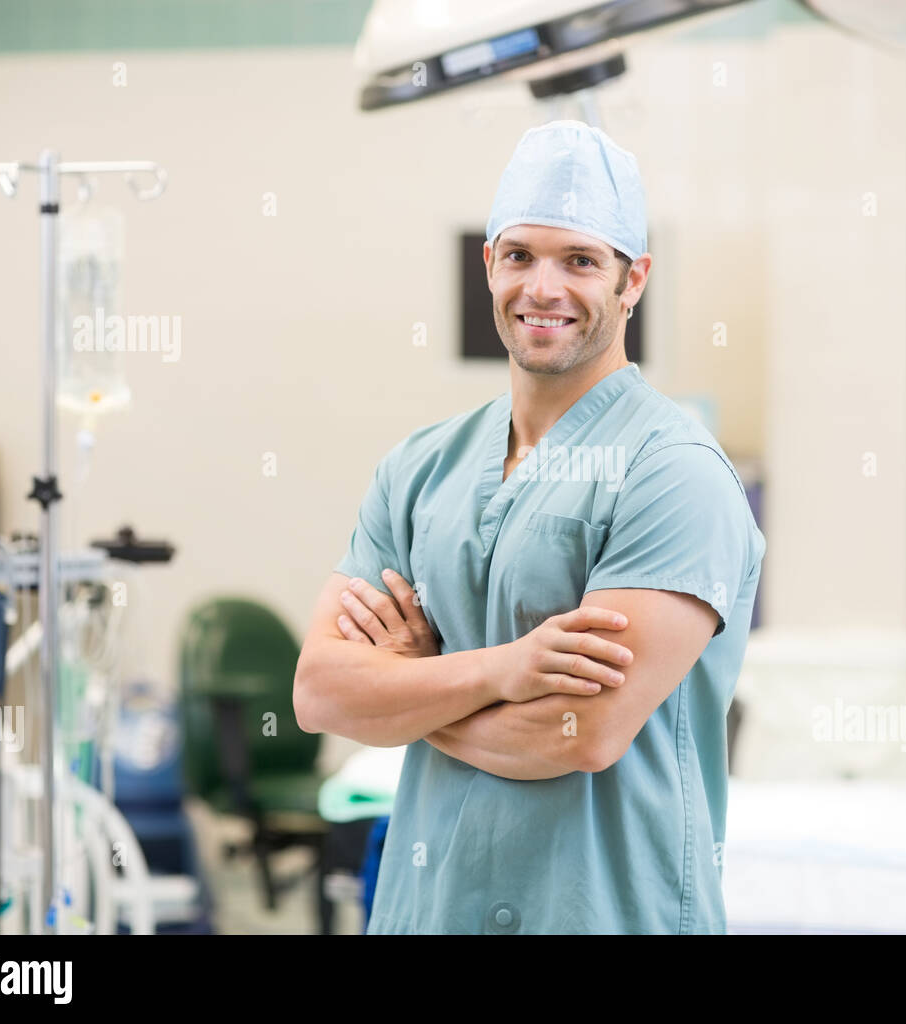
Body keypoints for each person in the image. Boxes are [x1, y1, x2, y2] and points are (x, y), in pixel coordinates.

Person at [294, 119, 766, 934]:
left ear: (634, 280)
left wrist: (411, 689)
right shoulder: (419, 467)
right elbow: (319, 692)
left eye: (580, 260)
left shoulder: (673, 471)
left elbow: (578, 732)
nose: (543, 288)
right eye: (520, 256)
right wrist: (508, 668)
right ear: (489, 264)